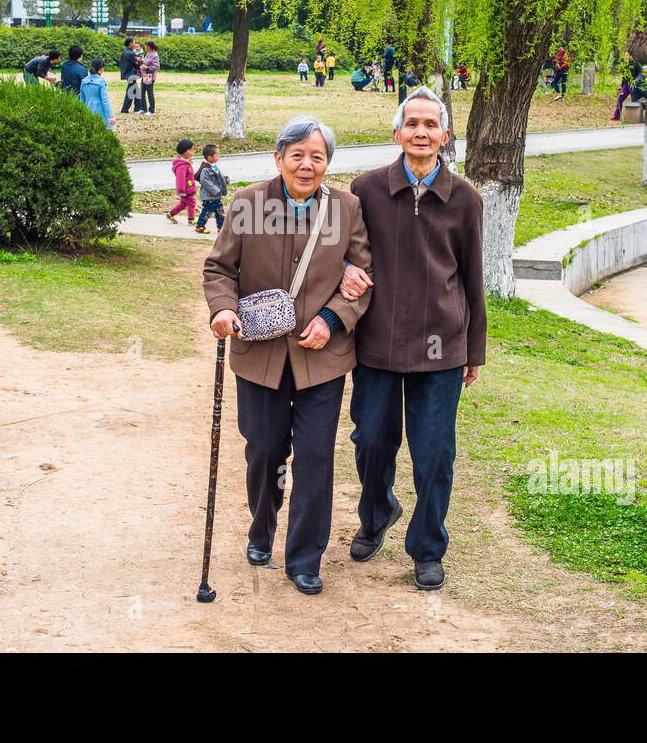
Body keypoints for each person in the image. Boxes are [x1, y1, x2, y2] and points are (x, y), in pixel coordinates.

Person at [203, 116, 373, 595]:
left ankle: (305, 558)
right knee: (265, 448)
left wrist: (333, 318)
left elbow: (362, 277)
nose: (306, 164)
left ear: (327, 163)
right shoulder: (247, 203)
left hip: (323, 357)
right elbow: (219, 269)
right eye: (297, 154)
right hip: (260, 354)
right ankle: (262, 527)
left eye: (317, 156)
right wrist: (222, 310)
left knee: (316, 456)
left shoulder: (346, 208)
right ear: (278, 158)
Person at [337, 86, 485, 591]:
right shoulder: (365, 189)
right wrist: (343, 277)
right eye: (412, 123)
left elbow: (473, 278)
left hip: (442, 348)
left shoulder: (465, 198)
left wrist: (474, 350)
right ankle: (377, 514)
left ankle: (427, 547)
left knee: (434, 453)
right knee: (372, 441)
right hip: (377, 342)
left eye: (431, 124)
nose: (421, 132)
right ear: (396, 133)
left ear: (445, 136)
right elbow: (346, 255)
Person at [194, 144, 229, 234]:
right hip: (209, 196)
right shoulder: (205, 169)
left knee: (220, 212)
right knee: (207, 212)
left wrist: (225, 180)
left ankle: (221, 227)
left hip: (216, 196)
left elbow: (219, 177)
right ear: (210, 157)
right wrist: (216, 190)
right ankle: (200, 226)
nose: (218, 156)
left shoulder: (214, 166)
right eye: (217, 155)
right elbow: (205, 181)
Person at [79, 58, 116, 131]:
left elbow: (82, 99)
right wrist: (110, 116)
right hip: (100, 111)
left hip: (87, 109)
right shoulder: (101, 82)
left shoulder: (84, 81)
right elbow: (105, 100)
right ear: (101, 69)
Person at [167, 139, 198, 225]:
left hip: (189, 188)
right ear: (185, 151)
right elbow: (180, 179)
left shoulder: (187, 163)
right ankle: (191, 219)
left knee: (183, 204)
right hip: (185, 190)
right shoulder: (181, 165)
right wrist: (181, 191)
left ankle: (171, 214)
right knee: (192, 203)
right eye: (191, 150)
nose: (193, 152)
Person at [119, 38, 143, 113]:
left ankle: (138, 108)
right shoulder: (130, 53)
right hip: (130, 74)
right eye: (133, 43)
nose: (134, 44)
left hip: (127, 73)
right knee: (131, 91)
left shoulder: (125, 51)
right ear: (130, 44)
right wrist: (140, 62)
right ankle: (125, 109)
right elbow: (136, 63)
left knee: (136, 90)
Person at [138, 40, 160, 114]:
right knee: (142, 92)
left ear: (149, 47)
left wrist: (147, 68)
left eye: (146, 46)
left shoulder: (154, 55)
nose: (145, 47)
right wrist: (142, 60)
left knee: (150, 94)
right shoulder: (148, 53)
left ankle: (151, 110)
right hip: (144, 76)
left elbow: (157, 66)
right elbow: (147, 62)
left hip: (150, 76)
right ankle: (143, 108)